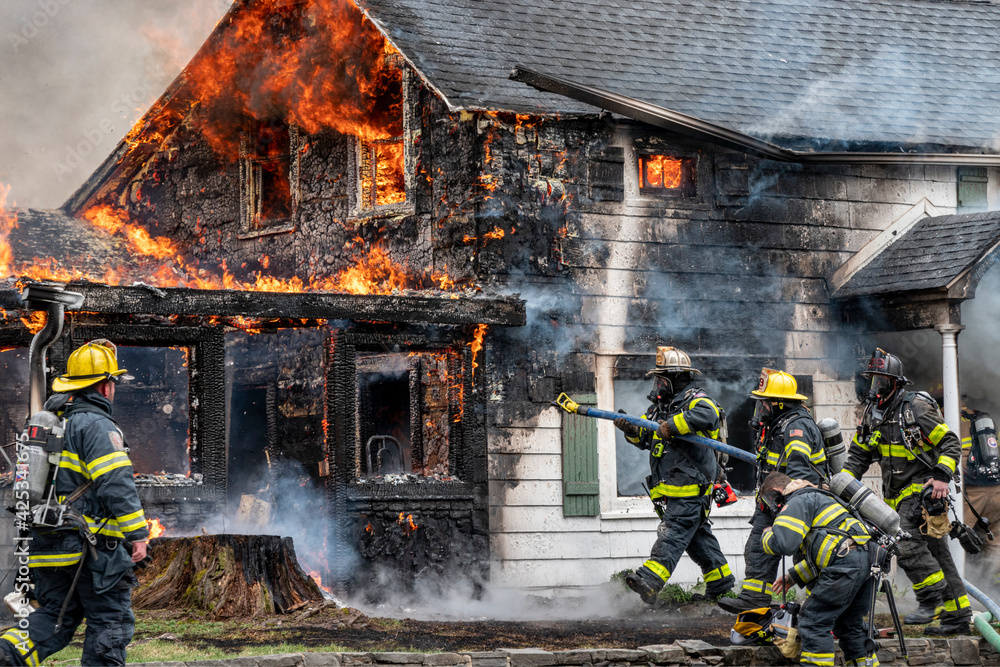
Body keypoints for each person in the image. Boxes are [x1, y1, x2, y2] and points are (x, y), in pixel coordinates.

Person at [0, 340, 149, 666]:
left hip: (45, 543)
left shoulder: (46, 422)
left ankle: (6, 656)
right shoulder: (95, 425)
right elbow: (115, 482)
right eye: (113, 383)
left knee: (54, 618)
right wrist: (138, 533)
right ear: (104, 386)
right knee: (111, 621)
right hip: (91, 550)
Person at [842, 348, 970, 635]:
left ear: (896, 383)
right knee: (938, 556)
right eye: (872, 381)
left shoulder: (916, 408)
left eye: (881, 381)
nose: (875, 388)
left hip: (924, 496)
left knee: (906, 543)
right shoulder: (872, 415)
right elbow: (858, 457)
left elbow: (950, 443)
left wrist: (940, 477)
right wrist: (842, 485)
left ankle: (930, 599)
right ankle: (958, 617)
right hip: (896, 499)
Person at [613, 346, 735, 603]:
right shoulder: (659, 408)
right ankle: (721, 585)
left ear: (677, 377)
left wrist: (672, 426)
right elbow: (646, 437)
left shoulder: (697, 399)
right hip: (673, 489)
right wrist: (631, 428)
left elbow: (708, 413)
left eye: (661, 379)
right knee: (697, 538)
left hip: (691, 488)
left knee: (674, 532)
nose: (657, 385)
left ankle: (650, 580)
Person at [719, 368, 827, 614]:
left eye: (764, 403)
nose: (760, 409)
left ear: (779, 403)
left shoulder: (796, 426)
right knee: (758, 548)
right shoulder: (777, 425)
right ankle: (754, 599)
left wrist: (786, 505)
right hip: (773, 502)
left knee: (806, 558)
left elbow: (799, 473)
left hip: (796, 503)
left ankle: (823, 606)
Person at [759, 470, 876, 667]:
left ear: (777, 491)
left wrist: (767, 534)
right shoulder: (822, 498)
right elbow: (829, 552)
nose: (770, 506)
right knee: (849, 625)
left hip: (848, 564)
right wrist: (793, 576)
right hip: (869, 561)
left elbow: (785, 544)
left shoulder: (797, 500)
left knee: (813, 620)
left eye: (768, 500)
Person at [960, 400, 1000, 585]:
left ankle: (959, 584)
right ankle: (991, 586)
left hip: (972, 492)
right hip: (996, 489)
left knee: (958, 534)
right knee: (995, 541)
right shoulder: (985, 419)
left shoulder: (949, 419)